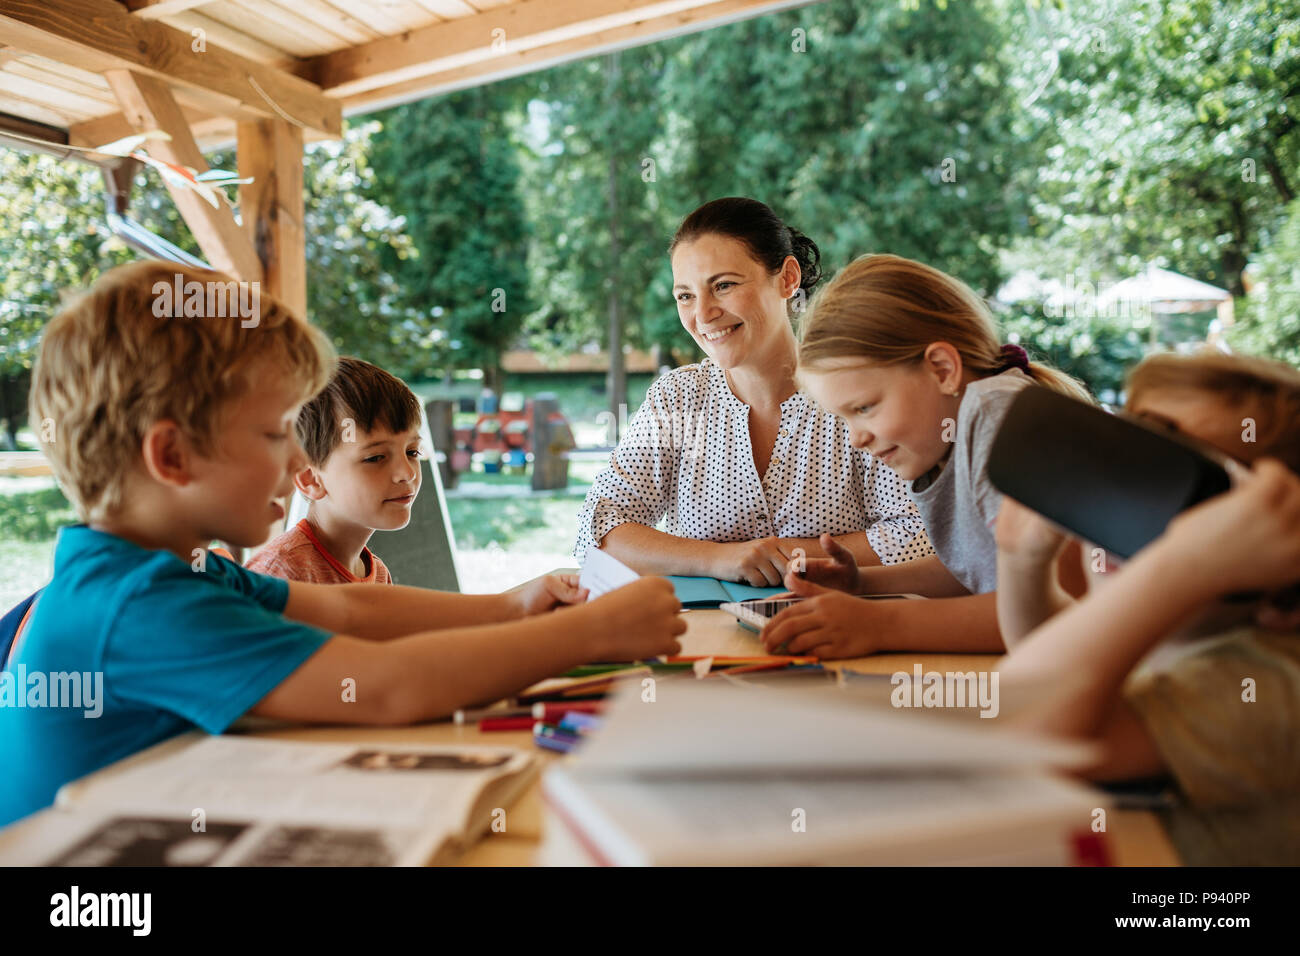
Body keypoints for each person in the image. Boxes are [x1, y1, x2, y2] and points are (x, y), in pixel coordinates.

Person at [0, 260, 684, 827]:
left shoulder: (178, 572)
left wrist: (512, 605)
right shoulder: (141, 604)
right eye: (273, 433)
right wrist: (590, 634)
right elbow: (384, 689)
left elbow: (354, 611)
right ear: (173, 456)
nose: (297, 454)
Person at [995, 350, 1300, 806]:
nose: (1132, 506)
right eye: (1131, 462)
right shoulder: (1189, 637)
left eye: (1191, 491)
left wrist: (1179, 566)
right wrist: (1022, 562)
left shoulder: (1270, 687)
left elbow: (1012, 726)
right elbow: (1055, 669)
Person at [574, 198, 930, 587]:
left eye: (723, 285)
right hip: (696, 638)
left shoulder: (855, 391)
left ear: (787, 278)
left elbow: (918, 534)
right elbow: (600, 531)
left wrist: (777, 555)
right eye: (686, 295)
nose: (704, 314)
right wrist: (721, 559)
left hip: (837, 629)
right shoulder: (676, 398)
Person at [763, 253, 1089, 656]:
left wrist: (879, 625)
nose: (856, 439)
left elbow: (1065, 611)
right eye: (844, 419)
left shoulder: (1002, 422)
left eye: (864, 408)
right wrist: (864, 585)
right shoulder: (950, 437)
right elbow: (980, 570)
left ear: (941, 369)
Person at [248, 357, 420, 585]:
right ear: (310, 479)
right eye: (375, 457)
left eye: (412, 452)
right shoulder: (282, 574)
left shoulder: (377, 573)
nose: (407, 473)